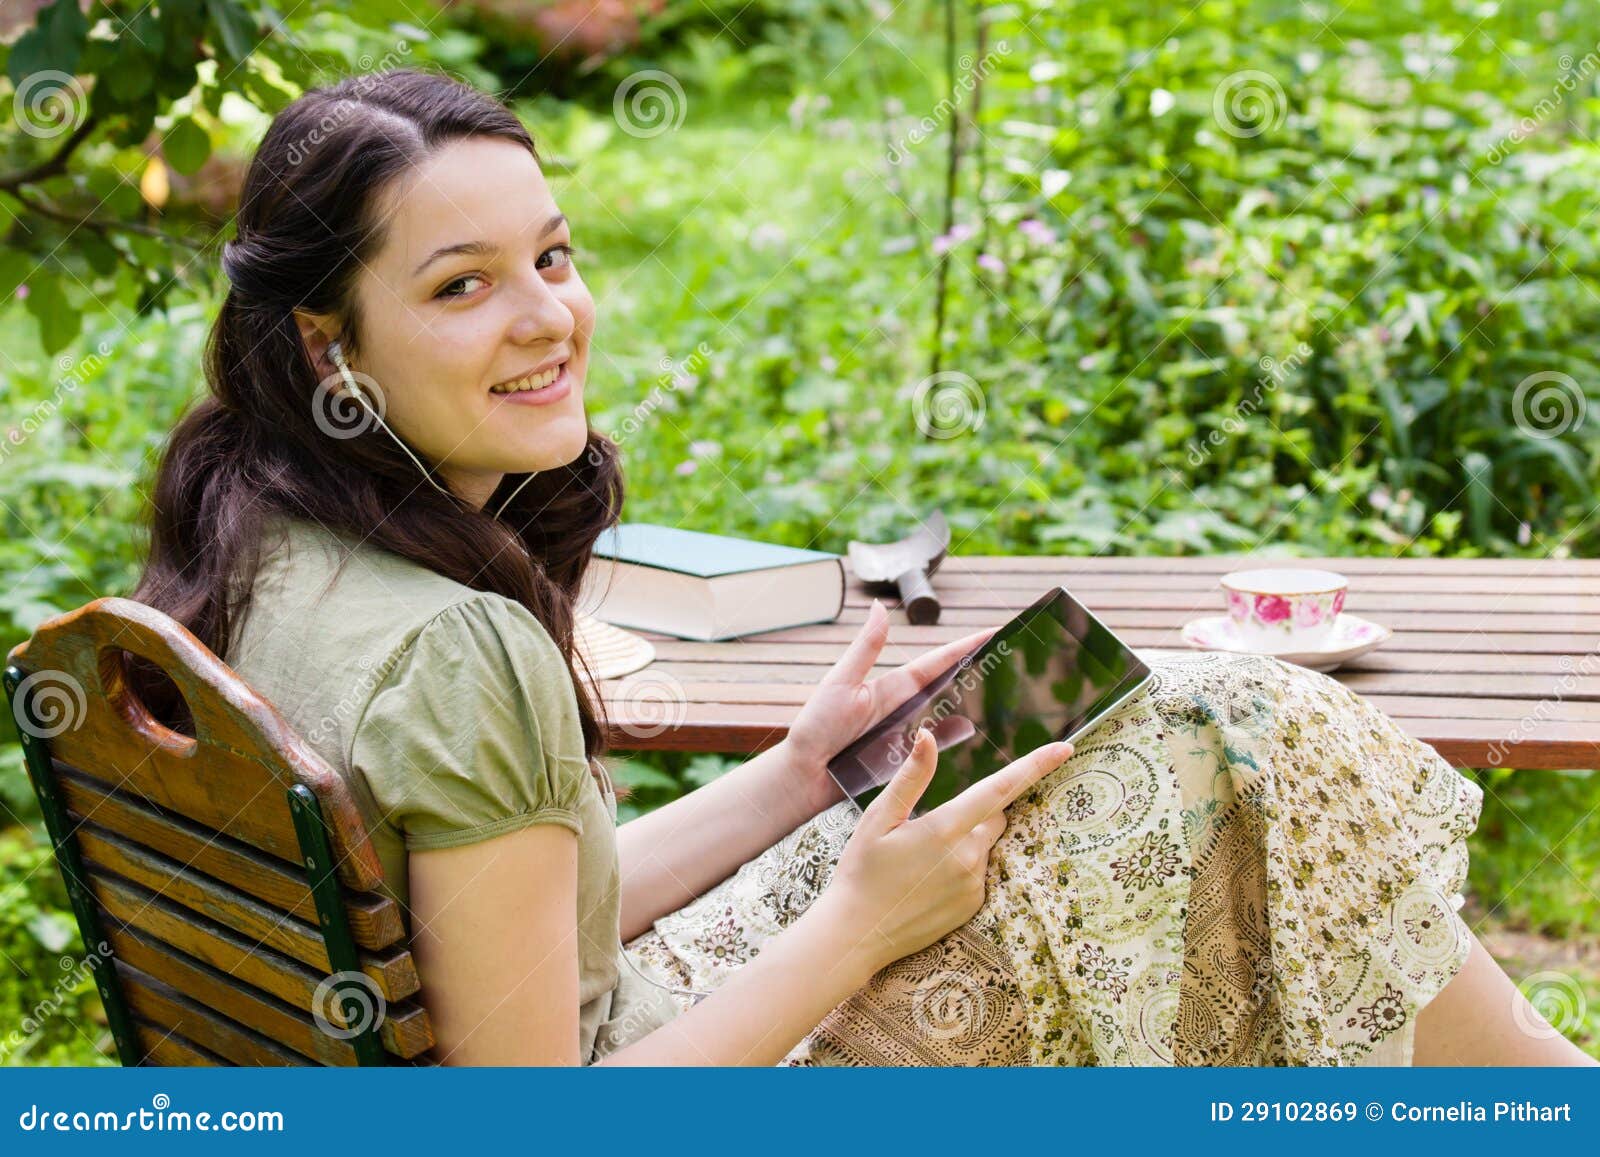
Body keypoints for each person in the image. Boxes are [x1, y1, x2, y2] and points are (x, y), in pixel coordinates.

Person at [127, 67, 1593, 1067]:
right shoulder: (455, 645)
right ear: (330, 340)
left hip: (629, 1024)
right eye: (463, 284)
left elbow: (519, 924)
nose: (547, 317)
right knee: (1244, 734)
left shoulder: (270, 541)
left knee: (1170, 708)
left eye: (554, 257)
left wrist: (791, 773)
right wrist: (858, 925)